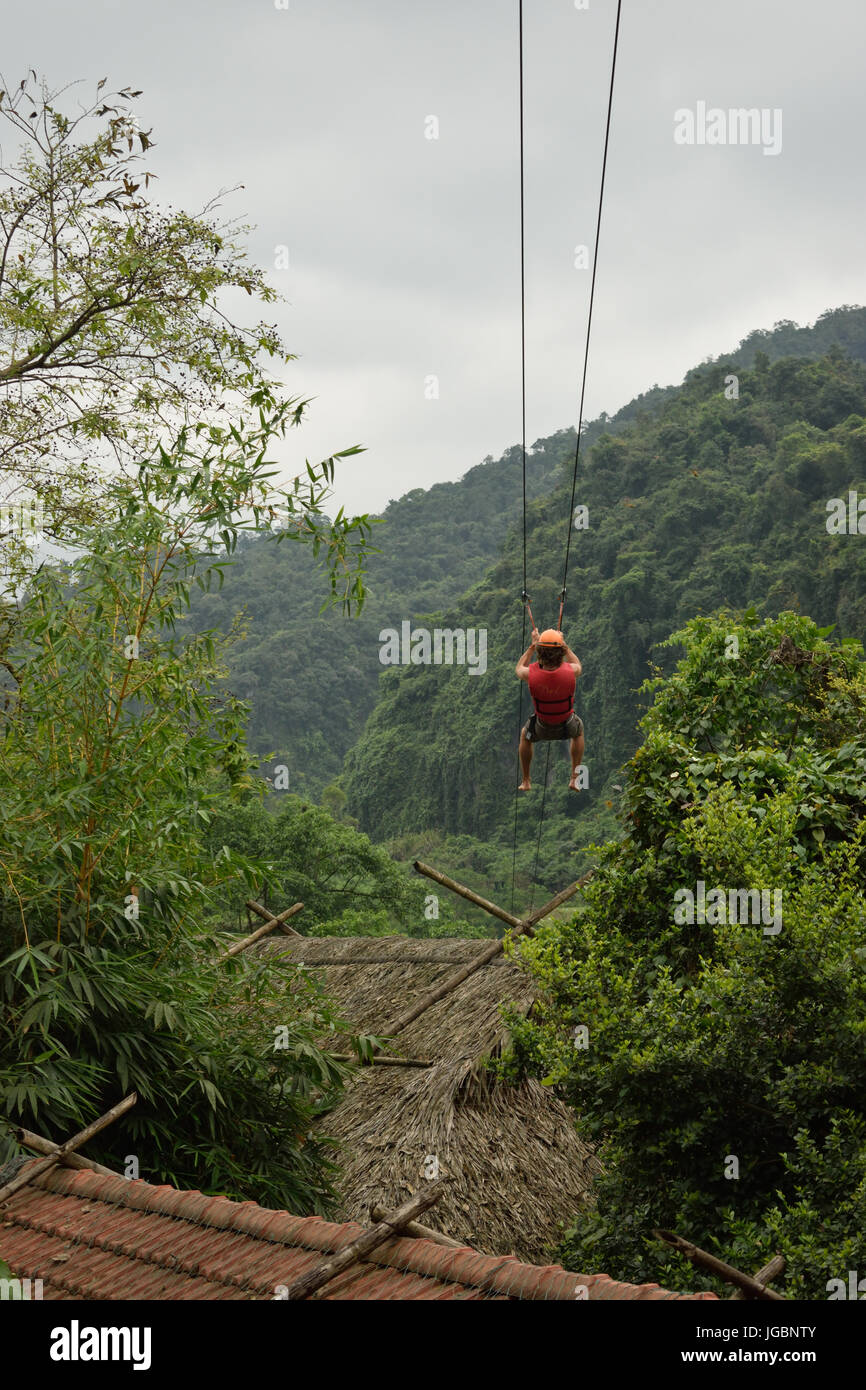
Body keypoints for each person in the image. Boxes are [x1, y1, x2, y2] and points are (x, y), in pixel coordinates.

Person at [515, 627, 584, 792]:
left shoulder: (531, 674)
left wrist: (532, 646)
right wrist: (564, 645)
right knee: (579, 732)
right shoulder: (571, 671)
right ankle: (574, 778)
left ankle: (526, 780)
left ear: (540, 653)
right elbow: (578, 665)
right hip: (567, 724)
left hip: (541, 726)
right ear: (560, 652)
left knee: (525, 736)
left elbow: (519, 668)